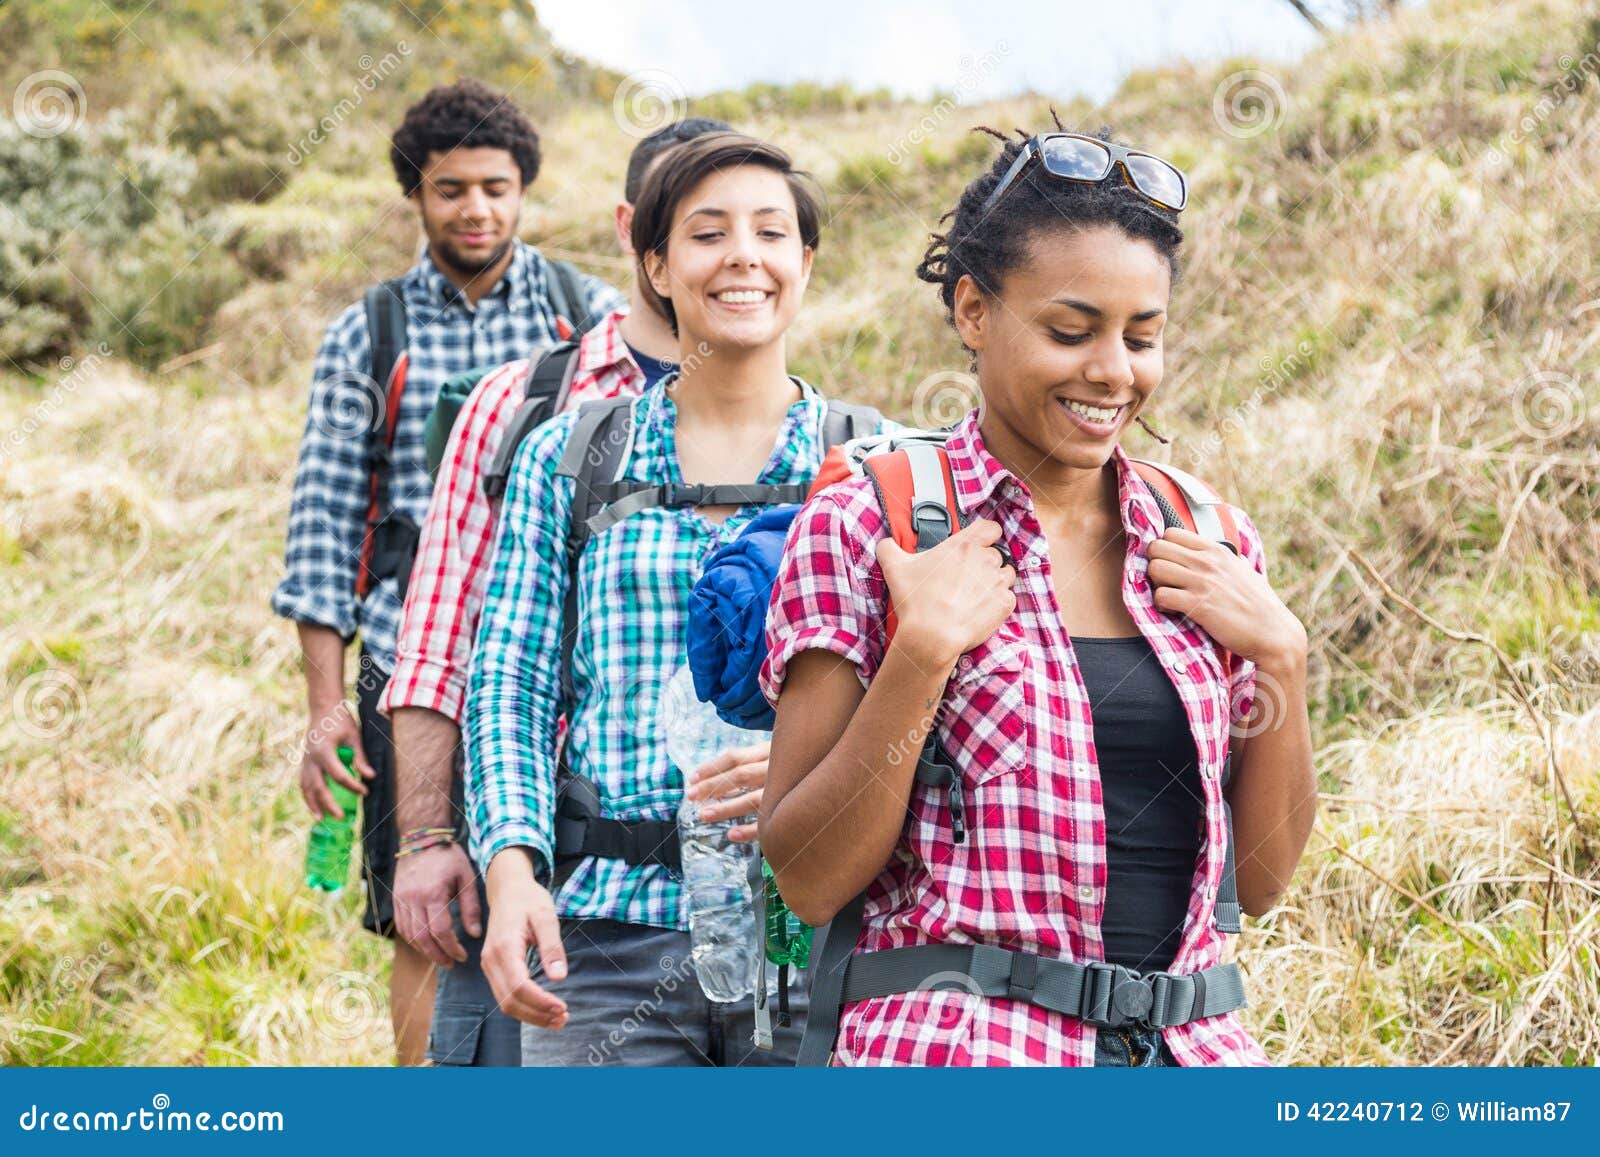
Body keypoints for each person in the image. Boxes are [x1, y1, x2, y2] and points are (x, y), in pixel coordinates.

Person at [758, 120, 1317, 1066]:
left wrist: (1284, 661)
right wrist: (921, 652)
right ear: (973, 311)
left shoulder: (1209, 538)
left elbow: (1259, 883)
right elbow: (808, 878)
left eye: (1143, 337)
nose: (1113, 371)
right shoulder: (875, 521)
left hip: (1195, 1055)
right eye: (1071, 330)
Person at [463, 132, 889, 1066]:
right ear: (655, 265)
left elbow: (927, 700)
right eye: (708, 233)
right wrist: (511, 871)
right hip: (608, 936)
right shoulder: (573, 456)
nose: (744, 255)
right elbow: (510, 684)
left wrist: (804, 760)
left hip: (819, 940)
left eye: (771, 233)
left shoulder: (878, 467)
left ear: (804, 263)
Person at [271, 79, 624, 1065]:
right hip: (404, 667)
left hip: (553, 669)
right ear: (415, 197)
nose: (477, 210)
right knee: (424, 916)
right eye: (452, 189)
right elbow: (324, 525)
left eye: (496, 188)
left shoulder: (585, 319)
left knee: (561, 899)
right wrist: (326, 704)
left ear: (525, 190)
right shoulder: (369, 334)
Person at [378, 118, 733, 1067]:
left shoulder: (812, 433)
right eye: (694, 222)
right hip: (554, 883)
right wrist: (430, 837)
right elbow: (445, 644)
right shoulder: (527, 407)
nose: (729, 251)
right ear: (638, 236)